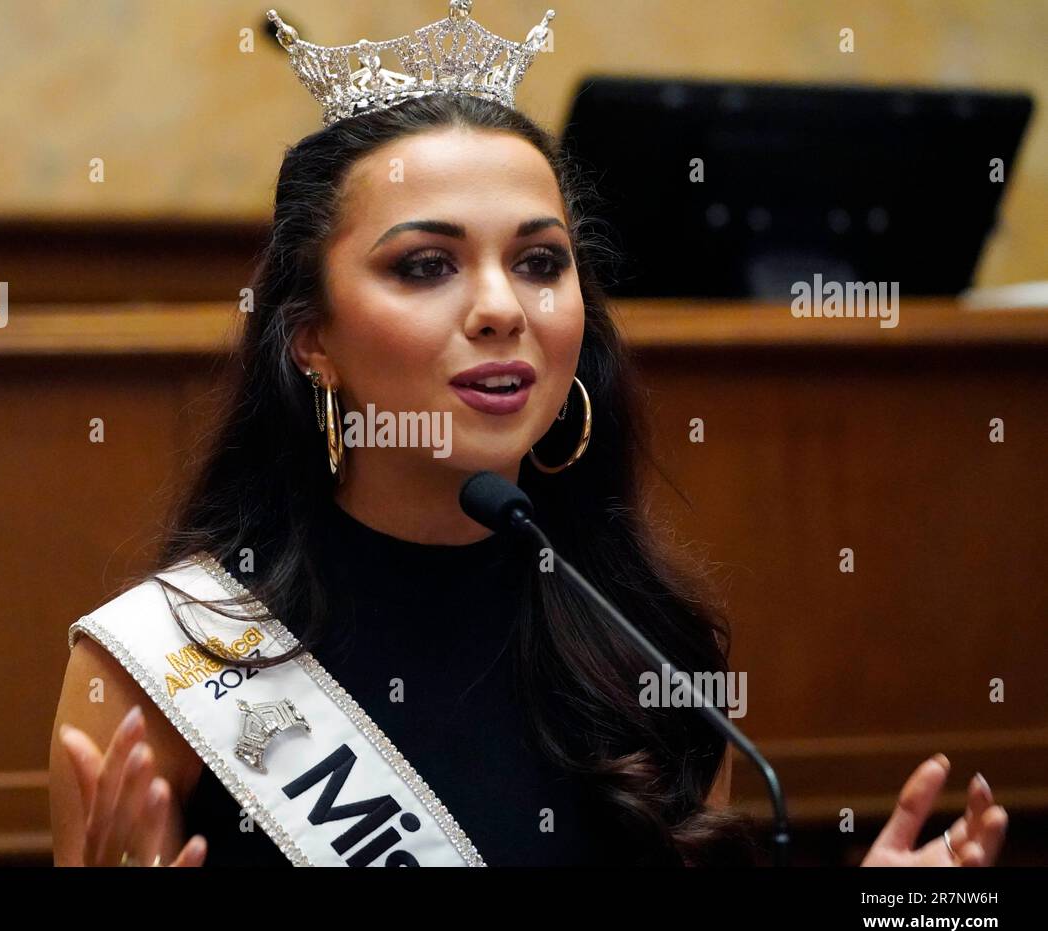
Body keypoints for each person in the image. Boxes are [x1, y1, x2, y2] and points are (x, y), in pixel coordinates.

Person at [49, 2, 1008, 868]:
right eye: (426, 265)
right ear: (311, 340)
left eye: (542, 261)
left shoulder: (647, 650)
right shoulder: (166, 662)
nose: (504, 308)